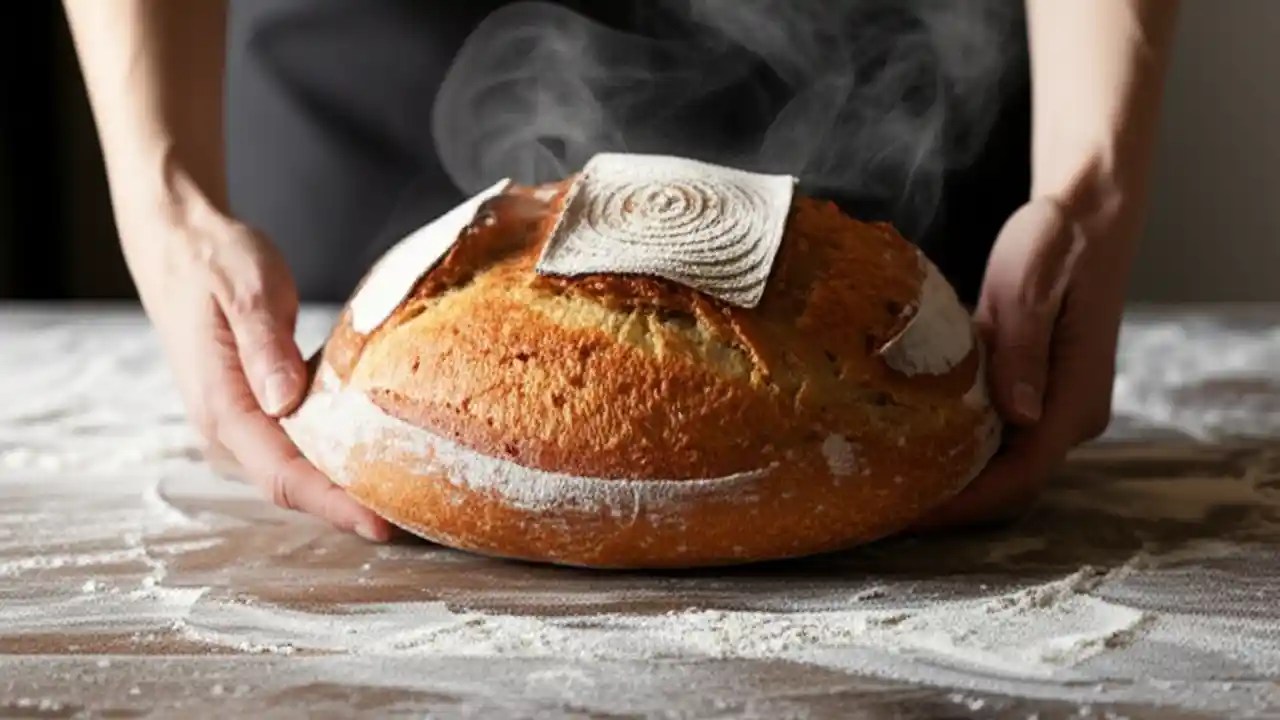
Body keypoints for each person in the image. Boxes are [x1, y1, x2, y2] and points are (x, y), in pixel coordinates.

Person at [62, 0, 1179, 543]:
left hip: (891, 101)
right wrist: (166, 190)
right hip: (381, 124)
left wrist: (1087, 180)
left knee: (911, 374)